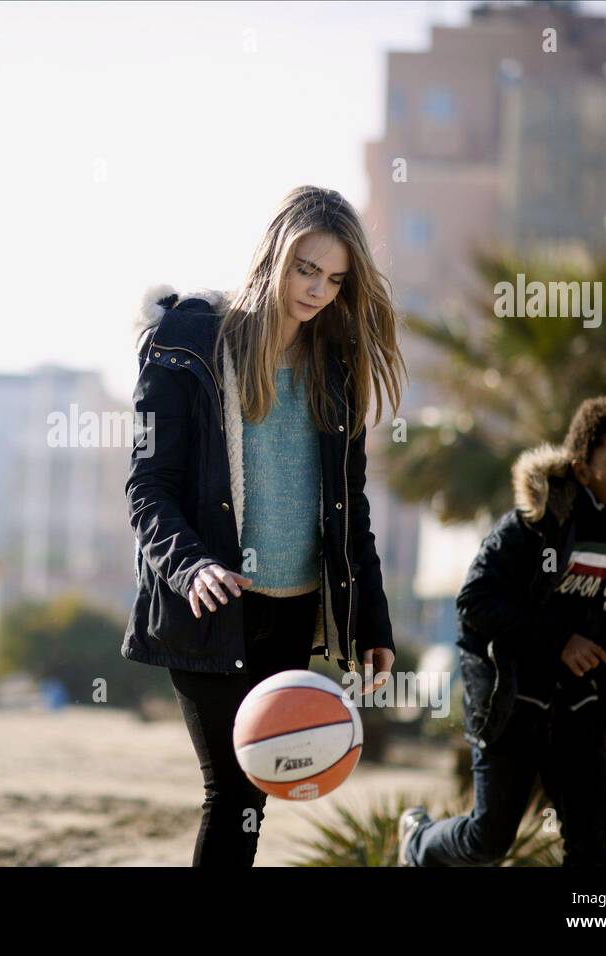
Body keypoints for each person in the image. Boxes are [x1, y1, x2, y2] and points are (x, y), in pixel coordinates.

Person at [122, 185, 408, 866]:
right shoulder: (187, 345)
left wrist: (372, 623)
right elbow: (147, 489)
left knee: (256, 791)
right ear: (273, 256)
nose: (317, 290)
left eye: (335, 279)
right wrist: (193, 566)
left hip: (294, 611)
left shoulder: (334, 367)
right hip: (211, 605)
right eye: (306, 269)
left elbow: (351, 509)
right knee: (233, 791)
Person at [397, 394, 606, 867]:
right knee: (489, 839)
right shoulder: (537, 524)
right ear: (582, 468)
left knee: (591, 846)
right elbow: (475, 602)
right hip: (508, 686)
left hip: (576, 697)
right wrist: (558, 641)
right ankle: (417, 843)